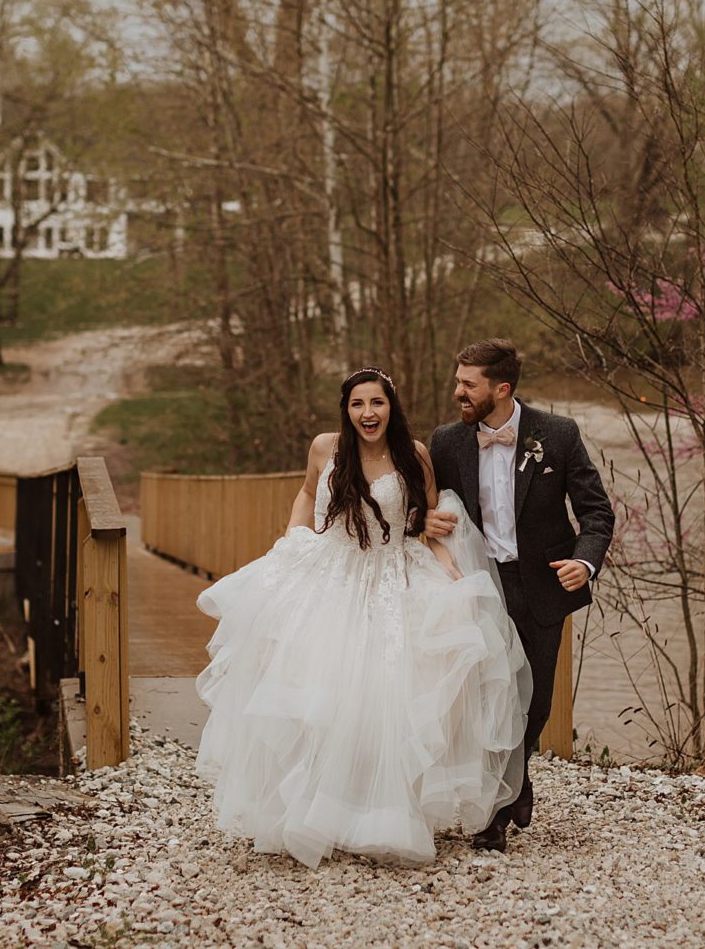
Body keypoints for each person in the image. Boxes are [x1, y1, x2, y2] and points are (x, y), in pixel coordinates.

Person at [193, 367, 531, 868]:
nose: (367, 413)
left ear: (391, 406)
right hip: (331, 572)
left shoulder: (413, 454)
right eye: (357, 404)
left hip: (392, 576)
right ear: (345, 409)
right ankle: (312, 812)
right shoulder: (324, 447)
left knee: (386, 697)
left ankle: (380, 814)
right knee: (320, 694)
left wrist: (453, 574)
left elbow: (428, 519)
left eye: (377, 403)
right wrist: (292, 537)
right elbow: (308, 494)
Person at [425, 338, 614, 852]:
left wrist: (585, 561)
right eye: (458, 380)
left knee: (534, 704)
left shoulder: (557, 435)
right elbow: (424, 505)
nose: (457, 391)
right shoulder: (445, 442)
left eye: (469, 384)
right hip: (477, 585)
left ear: (501, 388)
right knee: (490, 696)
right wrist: (424, 520)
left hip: (543, 586)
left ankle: (516, 777)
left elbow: (596, 513)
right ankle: (497, 812)